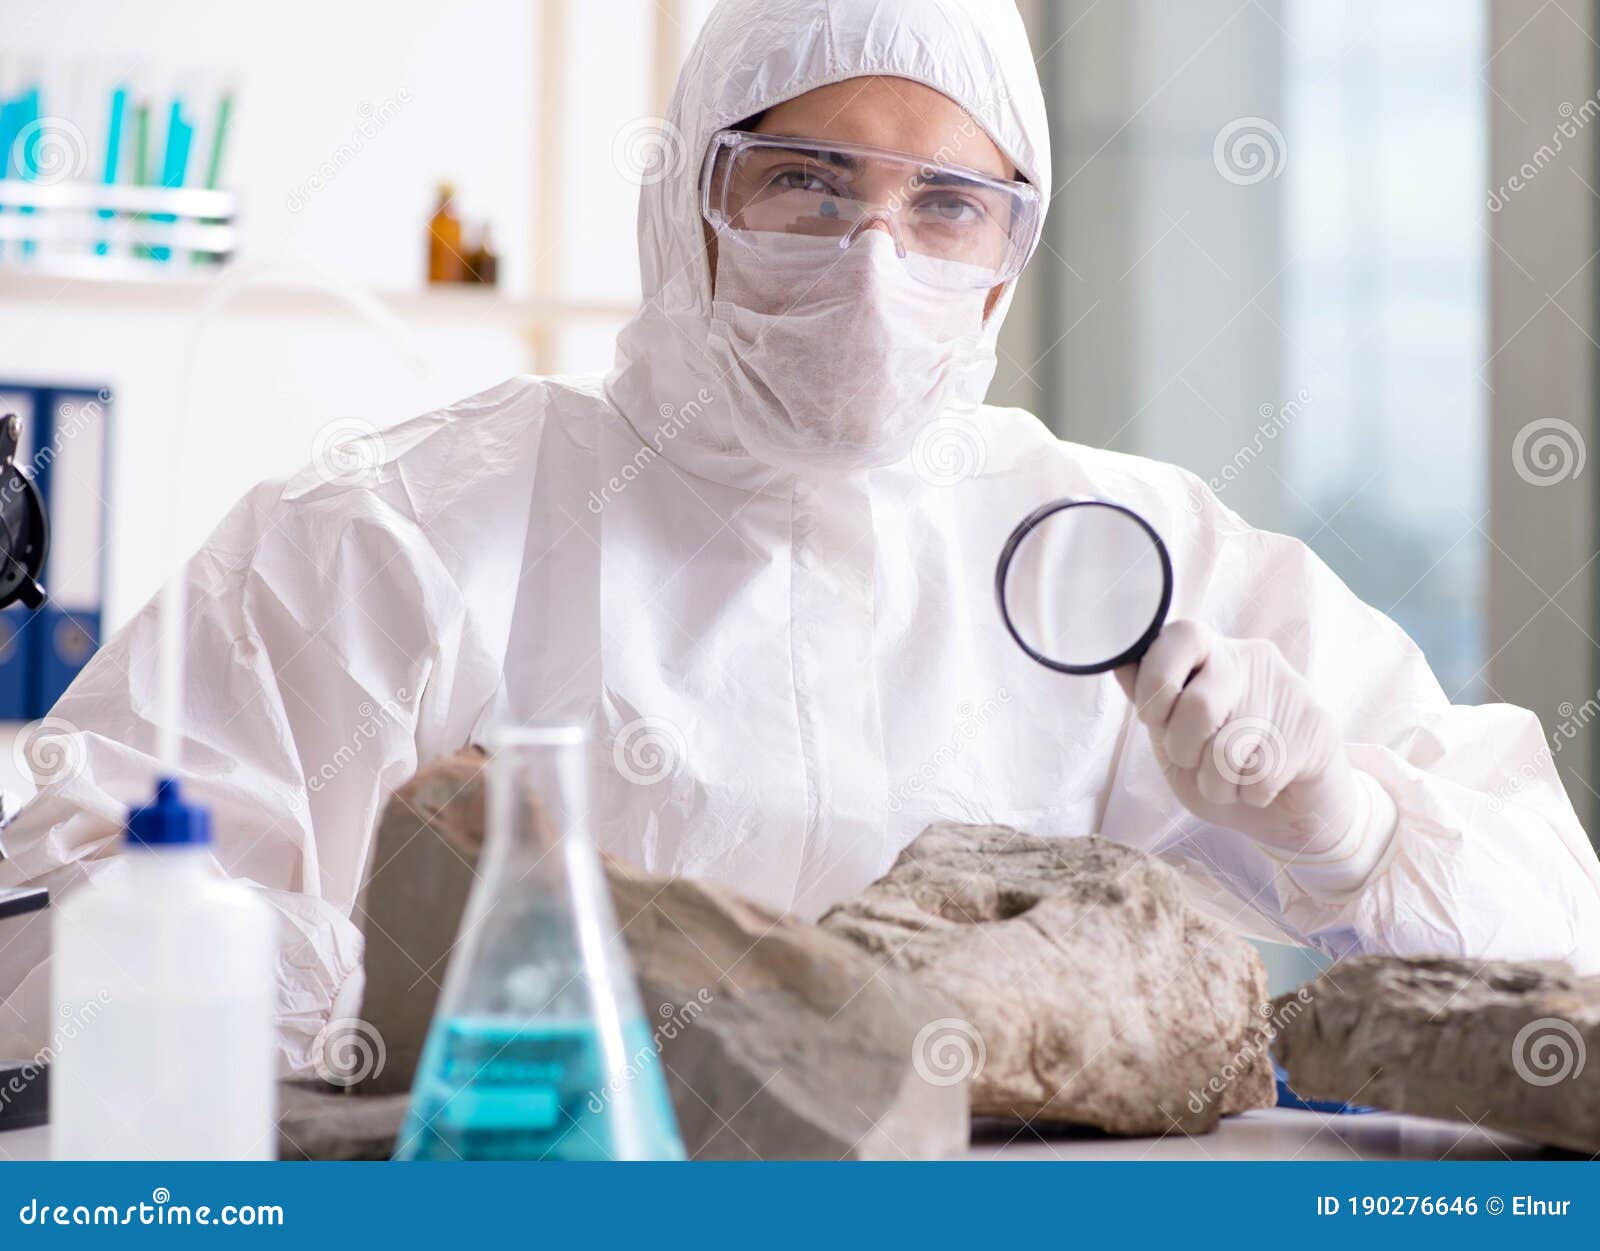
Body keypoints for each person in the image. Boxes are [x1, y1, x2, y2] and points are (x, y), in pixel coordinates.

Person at [2, 0, 1598, 1076]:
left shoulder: (1117, 542)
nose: (874, 261)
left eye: (945, 206)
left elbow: (1563, 953)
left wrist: (1347, 825)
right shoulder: (398, 533)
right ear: (689, 198)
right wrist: (439, 1007)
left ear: (1007, 252)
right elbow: (58, 927)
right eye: (808, 185)